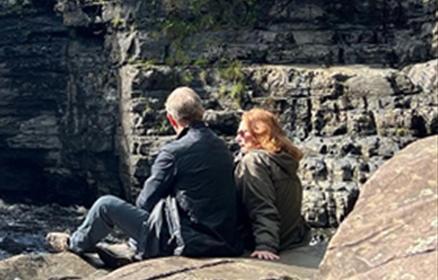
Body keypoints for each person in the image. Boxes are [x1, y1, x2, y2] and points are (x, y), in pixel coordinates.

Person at [47, 87, 243, 261]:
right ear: (201, 112)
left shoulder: (174, 152)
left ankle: (74, 243)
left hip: (187, 241)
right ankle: (134, 246)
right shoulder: (221, 147)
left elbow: (145, 202)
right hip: (224, 240)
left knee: (105, 205)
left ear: (171, 119)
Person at [234, 108, 311, 260]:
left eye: (243, 133)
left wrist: (265, 246)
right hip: (293, 241)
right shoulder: (283, 160)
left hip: (266, 242)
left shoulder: (254, 161)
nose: (237, 139)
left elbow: (261, 206)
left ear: (260, 134)